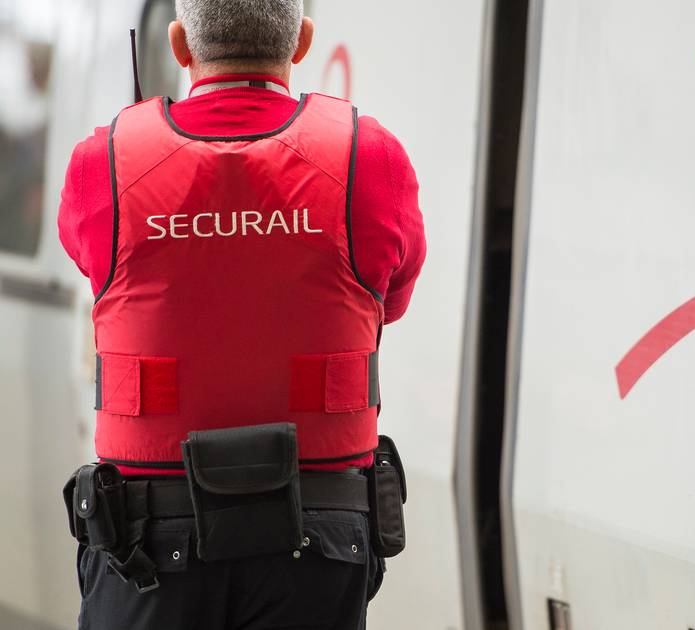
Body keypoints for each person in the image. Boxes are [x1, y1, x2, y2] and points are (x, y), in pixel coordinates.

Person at [57, 0, 425, 627]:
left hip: (147, 543)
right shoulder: (373, 158)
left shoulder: (104, 164)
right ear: (302, 42)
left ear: (178, 46)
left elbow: (103, 277)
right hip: (320, 538)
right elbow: (388, 302)